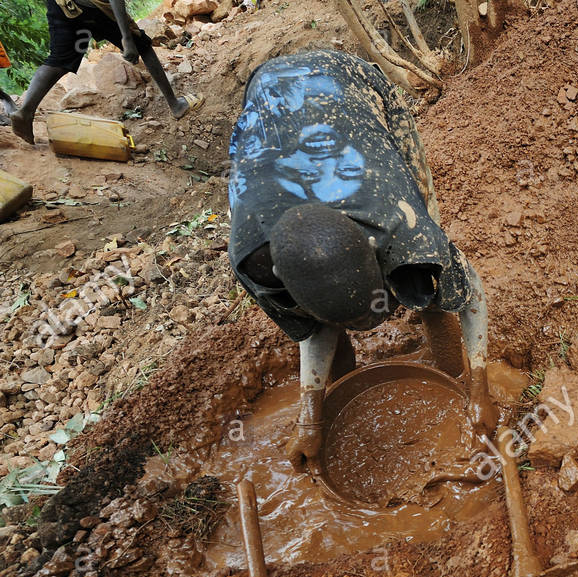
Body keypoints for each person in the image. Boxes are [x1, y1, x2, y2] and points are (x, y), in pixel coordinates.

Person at [227, 48, 495, 467]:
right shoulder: (255, 263)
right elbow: (311, 327)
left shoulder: (400, 222)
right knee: (330, 326)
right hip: (269, 98)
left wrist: (479, 386)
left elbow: (473, 290)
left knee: (428, 251)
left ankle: (441, 339)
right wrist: (311, 416)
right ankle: (344, 383)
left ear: (374, 252)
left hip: (347, 82)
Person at [6, 0, 201, 145]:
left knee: (59, 58)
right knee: (142, 45)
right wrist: (126, 38)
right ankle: (176, 105)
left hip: (62, 5)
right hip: (92, 5)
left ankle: (25, 111)